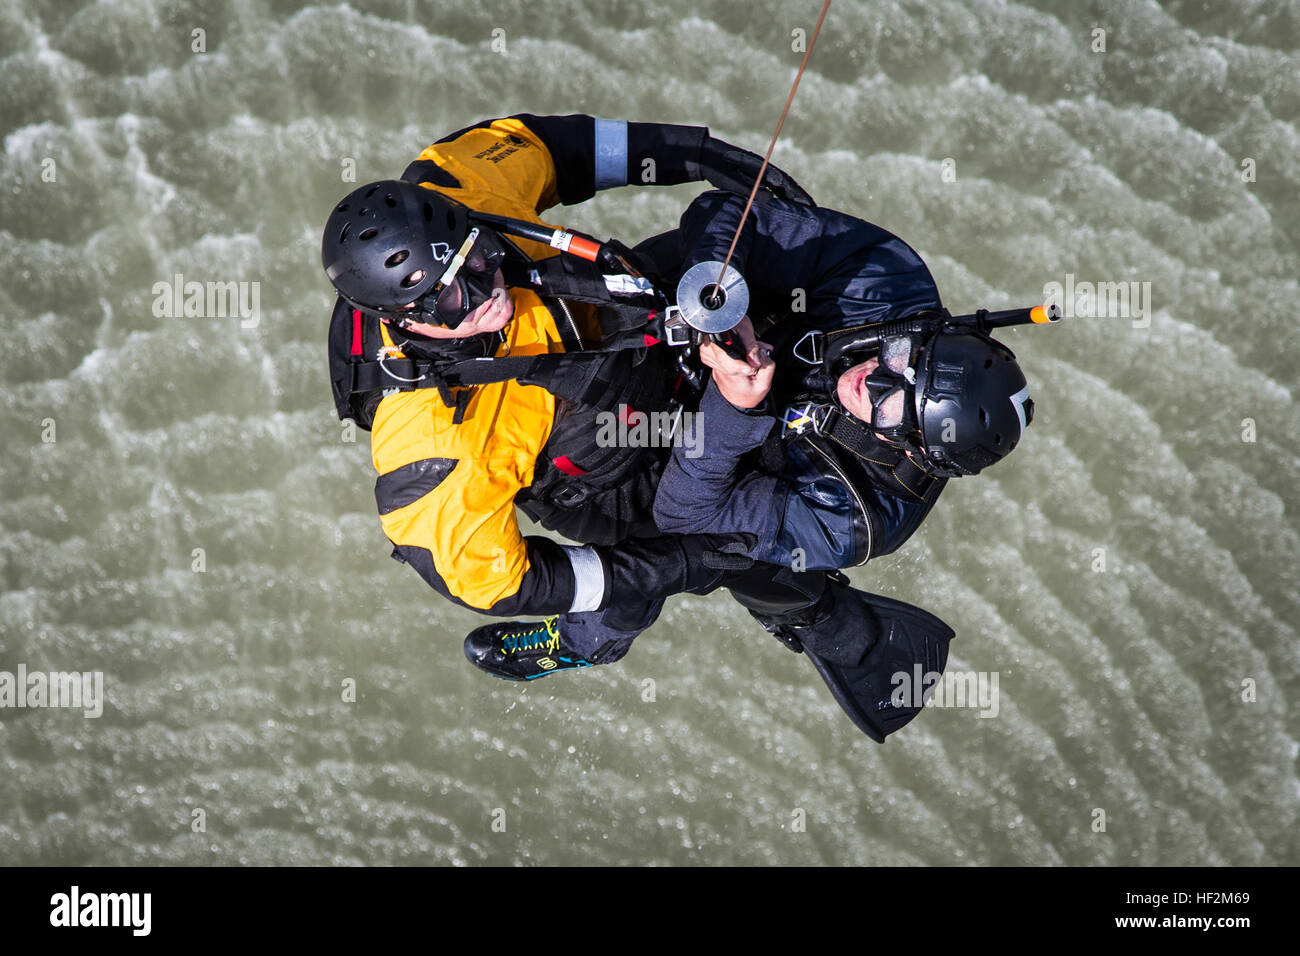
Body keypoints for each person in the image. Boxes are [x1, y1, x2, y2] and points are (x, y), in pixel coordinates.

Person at [322, 114, 813, 680]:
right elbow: (498, 583)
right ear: (405, 319)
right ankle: (587, 639)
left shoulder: (452, 186)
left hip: (624, 330)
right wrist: (675, 565)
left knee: (752, 241)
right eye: (457, 296)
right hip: (616, 482)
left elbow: (550, 148)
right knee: (690, 551)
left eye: (480, 257)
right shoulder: (434, 446)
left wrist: (698, 154)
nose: (490, 290)